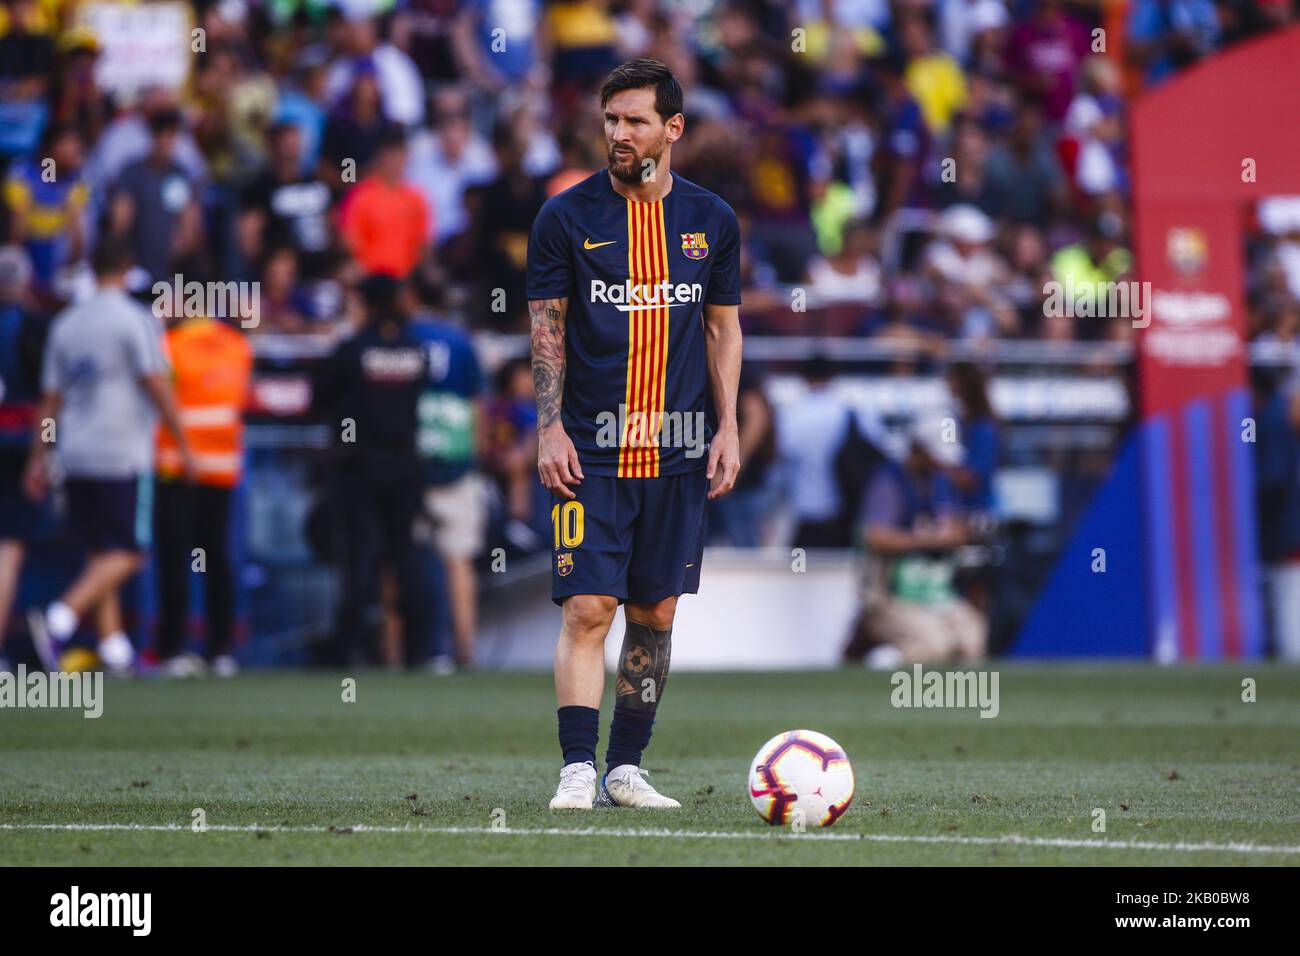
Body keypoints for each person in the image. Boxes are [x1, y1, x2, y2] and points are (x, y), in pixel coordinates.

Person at [527, 58, 742, 810]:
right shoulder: (565, 218)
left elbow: (722, 331)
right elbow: (546, 331)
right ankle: (577, 767)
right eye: (611, 119)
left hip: (680, 449)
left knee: (655, 615)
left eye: (636, 121)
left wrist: (730, 428)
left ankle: (626, 768)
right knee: (590, 606)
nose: (618, 133)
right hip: (590, 452)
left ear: (672, 128)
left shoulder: (711, 221)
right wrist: (549, 429)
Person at [23, 242, 195, 674]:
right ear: (126, 267)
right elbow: (156, 382)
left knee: (101, 553)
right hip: (122, 451)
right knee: (132, 553)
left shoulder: (67, 323)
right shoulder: (135, 319)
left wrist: (38, 455)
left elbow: (50, 402)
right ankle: (58, 618)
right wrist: (182, 441)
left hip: (76, 452)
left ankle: (115, 649)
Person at [312, 274, 431, 666]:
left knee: (359, 556)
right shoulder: (415, 349)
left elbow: (318, 395)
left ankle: (350, 648)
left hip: (360, 465)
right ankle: (420, 651)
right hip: (405, 463)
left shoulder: (353, 348)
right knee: (406, 554)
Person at [152, 303, 253, 678]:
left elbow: (158, 399)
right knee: (216, 559)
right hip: (221, 467)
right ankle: (221, 648)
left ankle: (172, 648)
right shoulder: (237, 345)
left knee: (174, 557)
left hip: (176, 467)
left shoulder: (169, 344)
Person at [843, 413, 987, 667]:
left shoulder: (940, 484)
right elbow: (874, 537)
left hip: (936, 592)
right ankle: (883, 662)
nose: (939, 465)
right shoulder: (889, 481)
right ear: (918, 450)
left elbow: (950, 526)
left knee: (972, 636)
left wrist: (961, 535)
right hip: (891, 595)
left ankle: (951, 700)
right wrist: (928, 541)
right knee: (933, 645)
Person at [407, 287, 486, 672]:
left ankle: (397, 649)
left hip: (410, 460)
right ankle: (464, 651)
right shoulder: (462, 342)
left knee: (402, 562)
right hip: (456, 459)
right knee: (459, 563)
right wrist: (476, 454)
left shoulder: (404, 336)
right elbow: (477, 404)